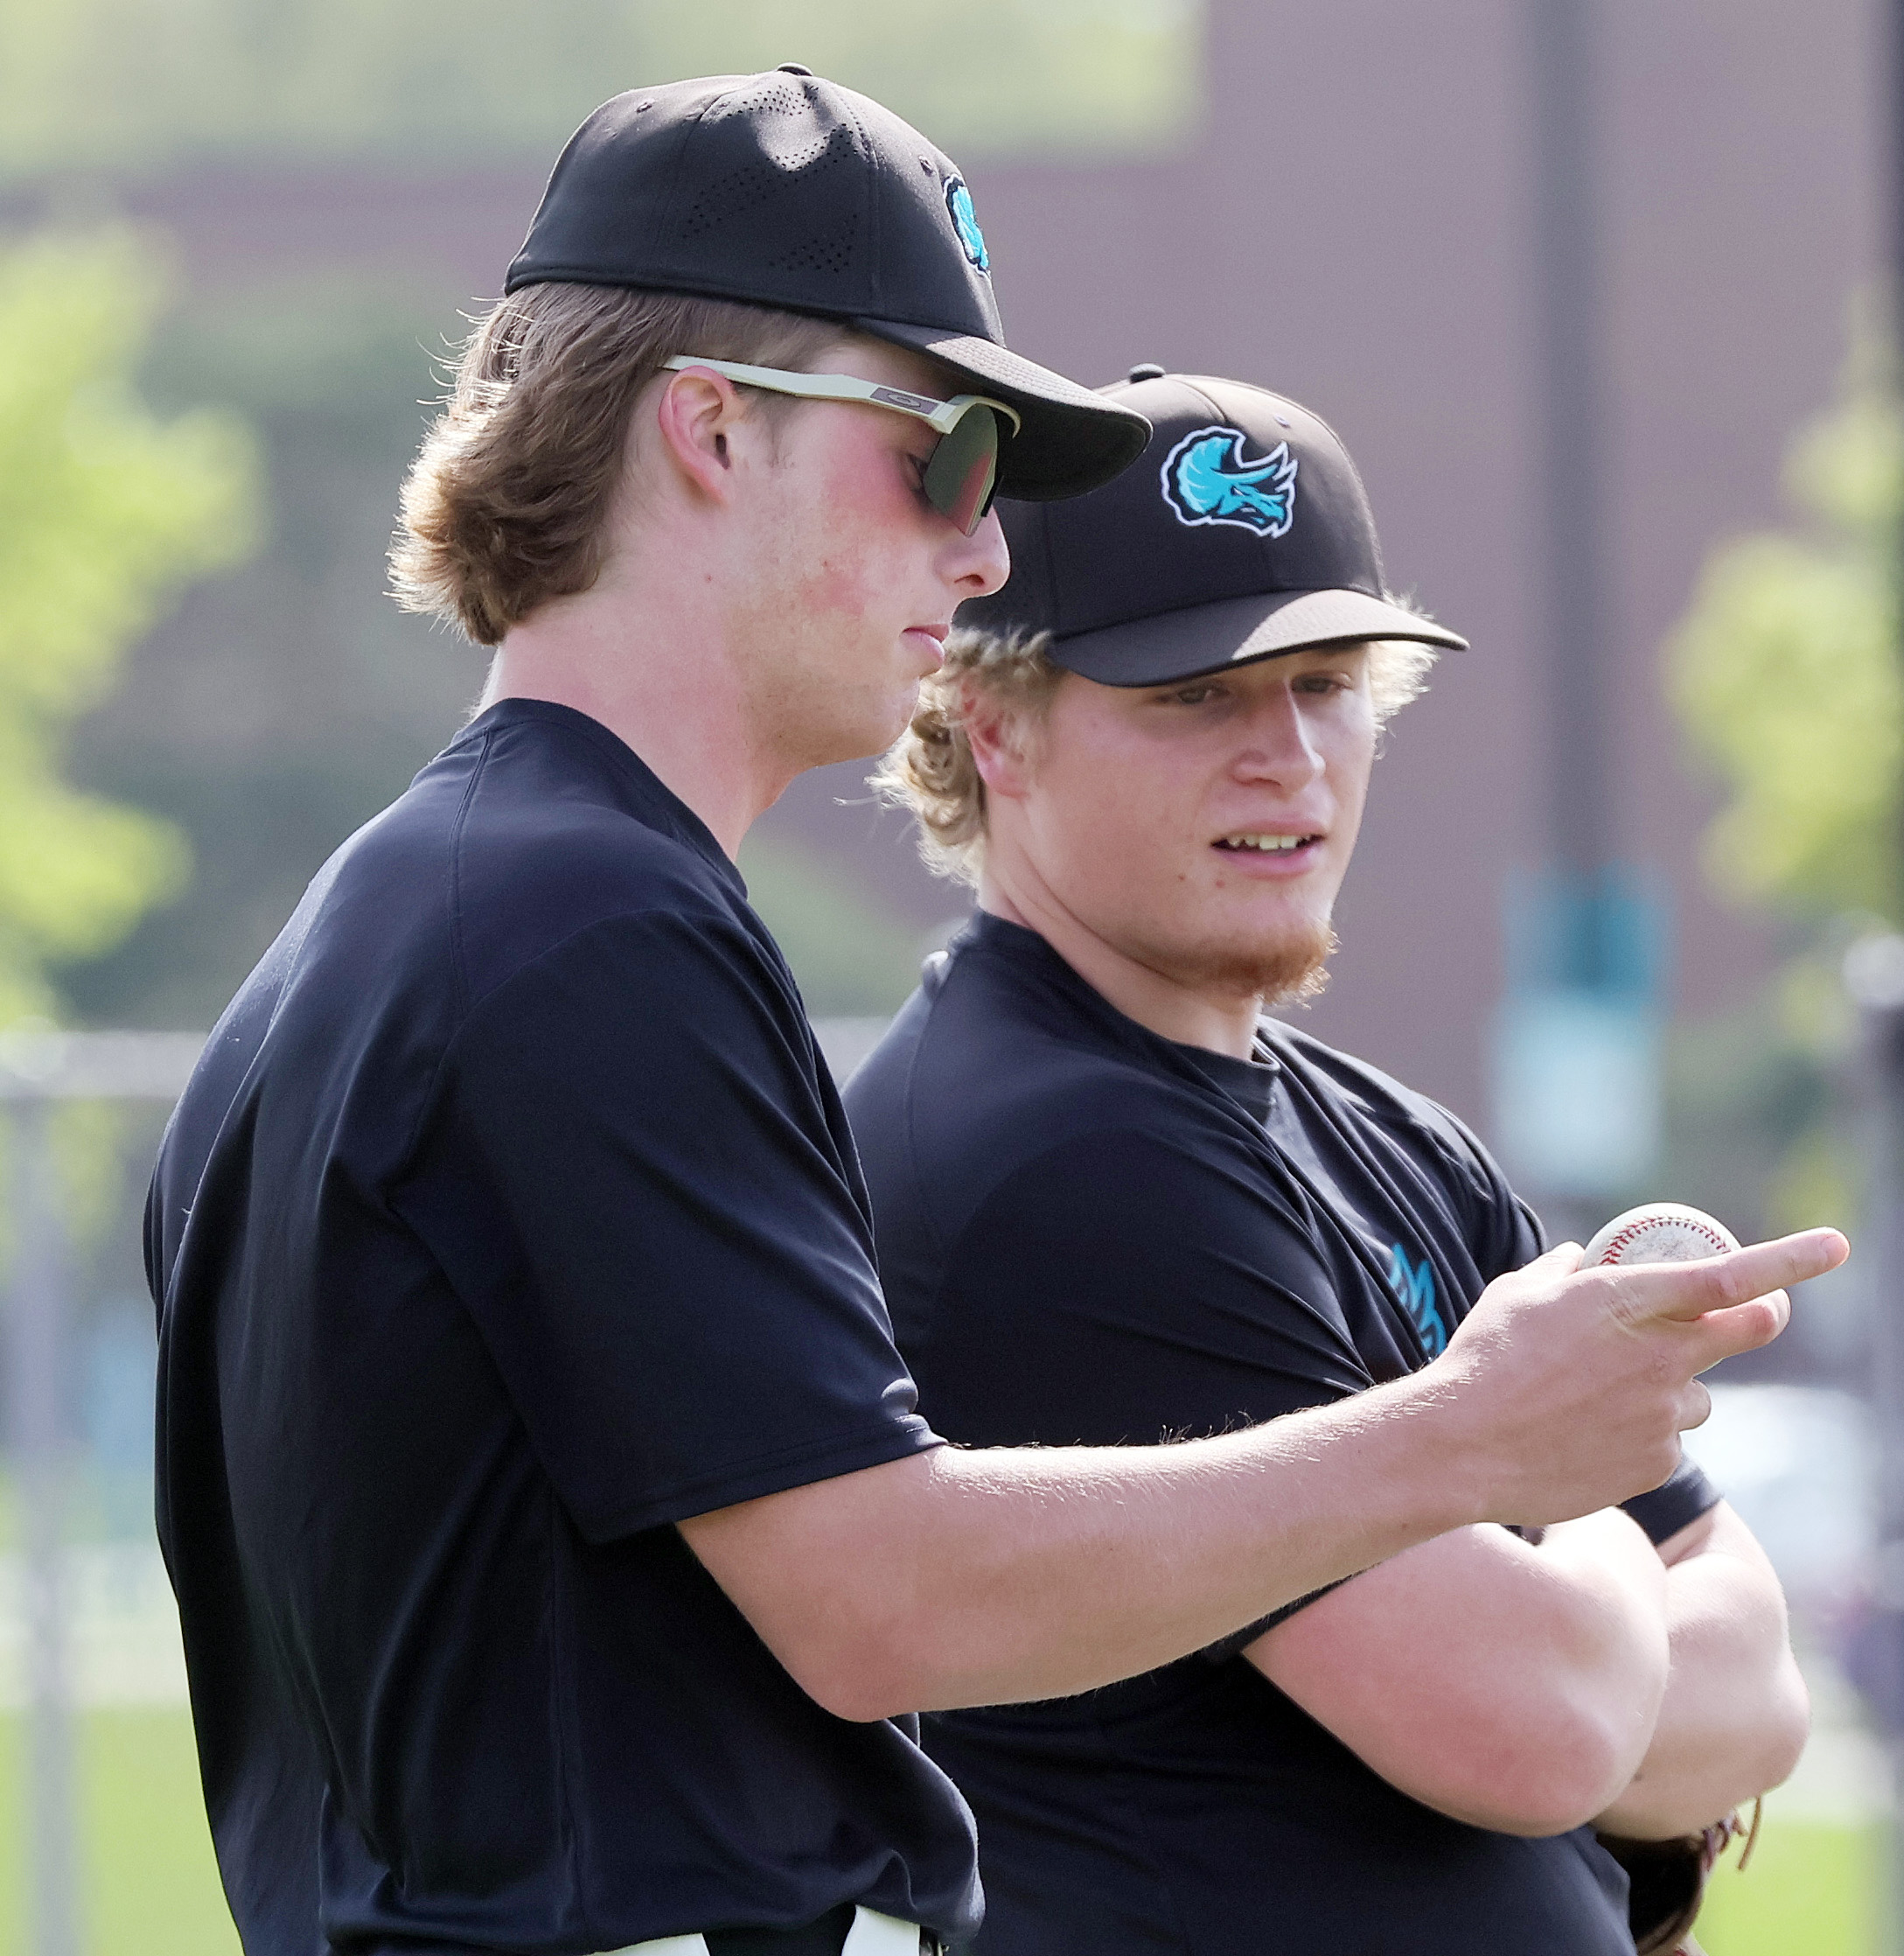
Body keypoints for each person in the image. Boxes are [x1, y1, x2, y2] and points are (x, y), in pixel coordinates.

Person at [144, 71, 1841, 1956]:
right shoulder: (580, 915)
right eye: (941, 452)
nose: (977, 557)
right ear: (709, 428)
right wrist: (1471, 1436)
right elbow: (884, 1593)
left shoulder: (445, 899)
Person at [845, 367, 1818, 1956]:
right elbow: (1533, 1728)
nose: (1286, 757)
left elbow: (1764, 1692)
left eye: (1325, 682)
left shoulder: (1390, 1136)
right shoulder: (1050, 1159)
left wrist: (1552, 1571)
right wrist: (1553, 1495)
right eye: (1192, 695)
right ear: (992, 731)